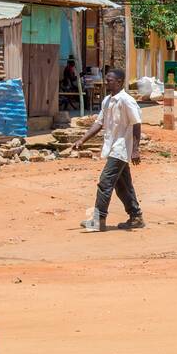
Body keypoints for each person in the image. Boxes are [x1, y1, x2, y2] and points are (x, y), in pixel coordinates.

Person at [70, 68, 145, 232]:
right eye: (107, 79)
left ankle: (99, 220)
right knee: (123, 185)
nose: (107, 82)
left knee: (105, 182)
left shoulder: (126, 101)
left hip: (122, 148)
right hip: (112, 148)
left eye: (110, 80)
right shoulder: (107, 101)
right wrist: (82, 140)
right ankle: (136, 216)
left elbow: (136, 124)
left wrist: (135, 149)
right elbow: (99, 123)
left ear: (119, 82)